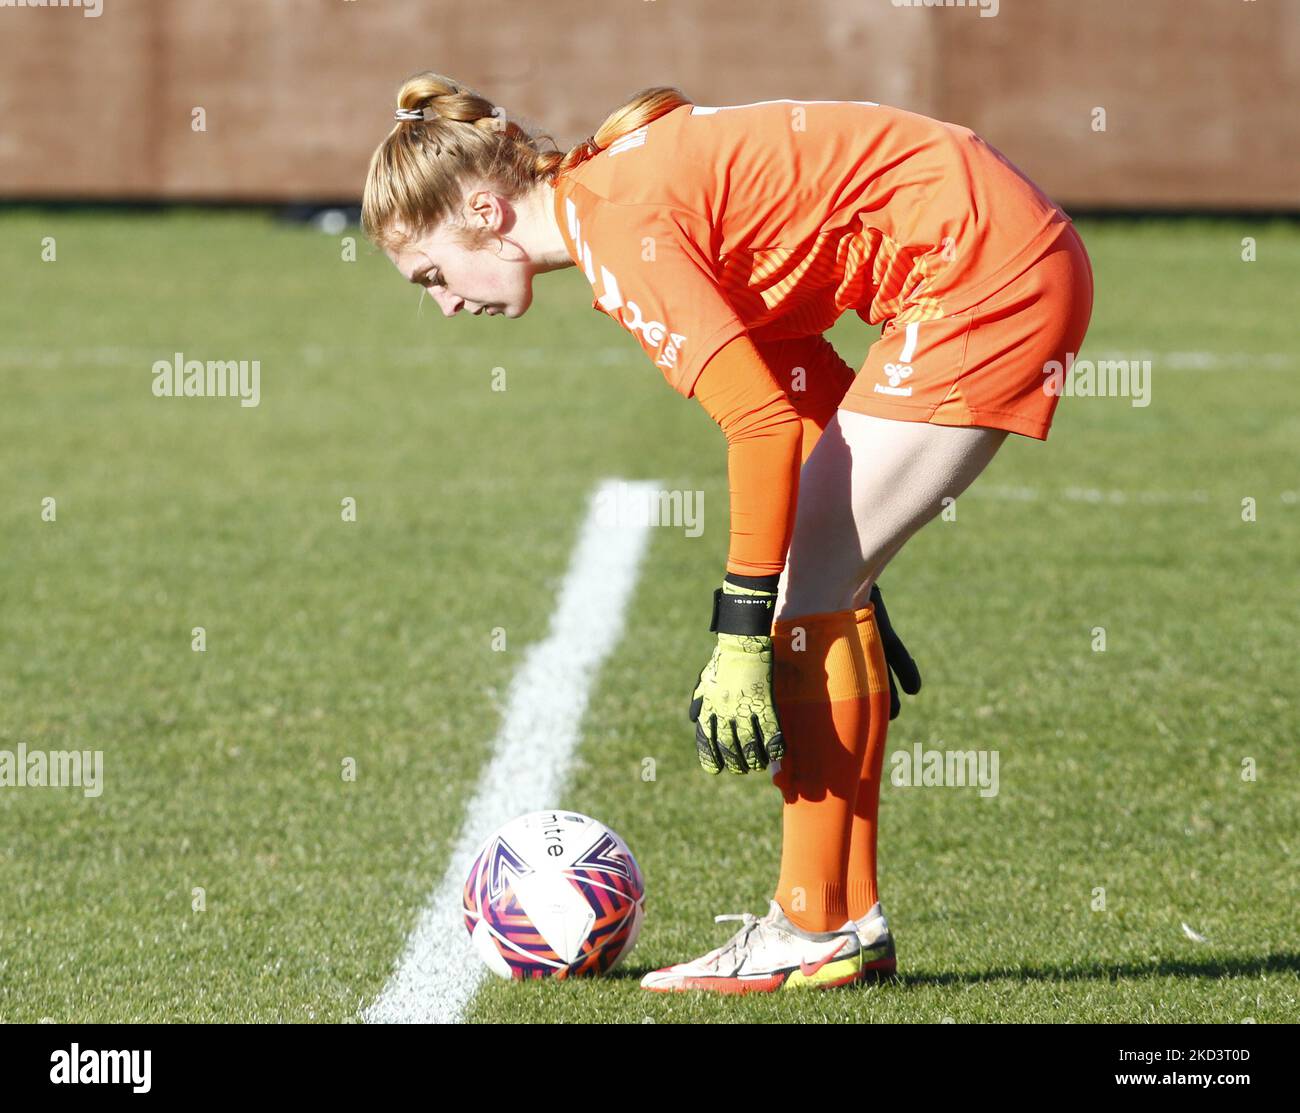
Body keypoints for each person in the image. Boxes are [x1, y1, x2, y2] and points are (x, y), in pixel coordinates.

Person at [361, 75, 1094, 994]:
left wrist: (741, 629)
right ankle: (841, 926)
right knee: (822, 593)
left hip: (981, 271)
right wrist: (851, 571)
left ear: (483, 207)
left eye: (432, 273)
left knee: (805, 598)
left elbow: (753, 425)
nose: (444, 305)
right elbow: (798, 391)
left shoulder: (616, 221)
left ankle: (816, 928)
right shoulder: (609, 205)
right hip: (1000, 250)